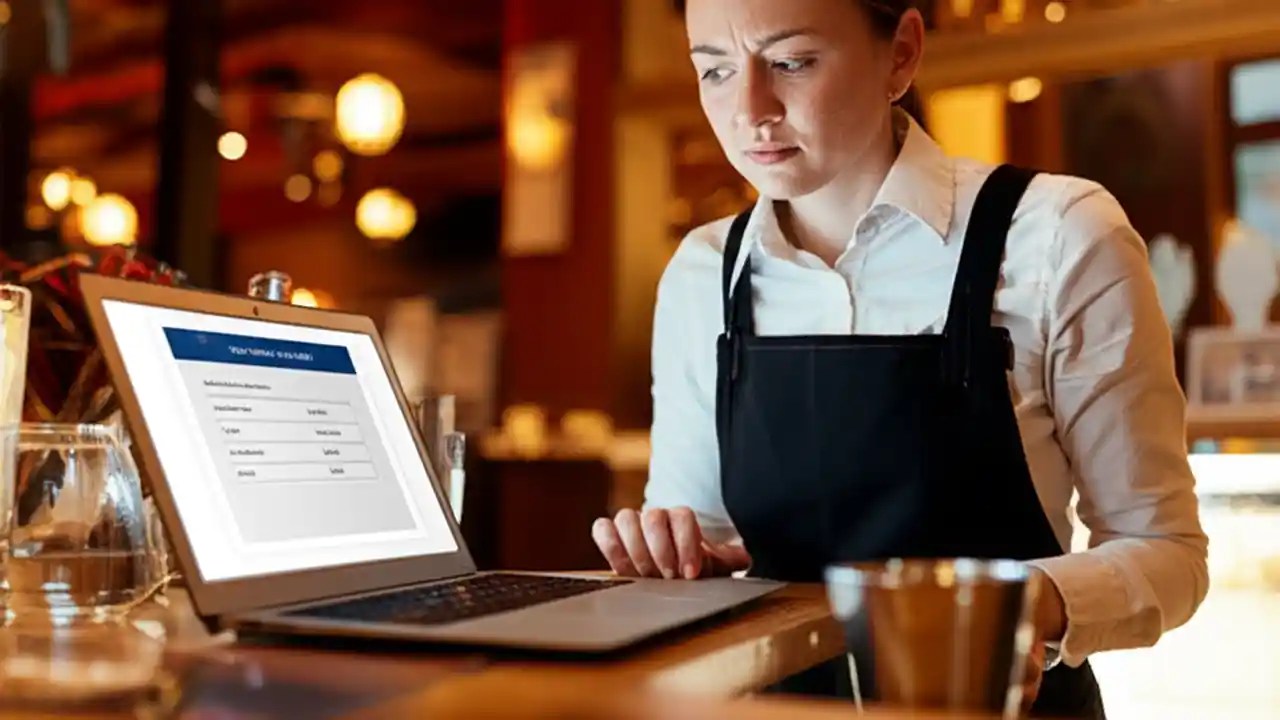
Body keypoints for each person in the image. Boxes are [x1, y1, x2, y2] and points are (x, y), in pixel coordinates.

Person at [591, 0, 1209, 717]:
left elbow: (1167, 555)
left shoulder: (1060, 236)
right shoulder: (704, 273)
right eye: (715, 71)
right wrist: (667, 557)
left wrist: (1023, 607)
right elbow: (707, 547)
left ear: (902, 54)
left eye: (791, 62)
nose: (749, 110)